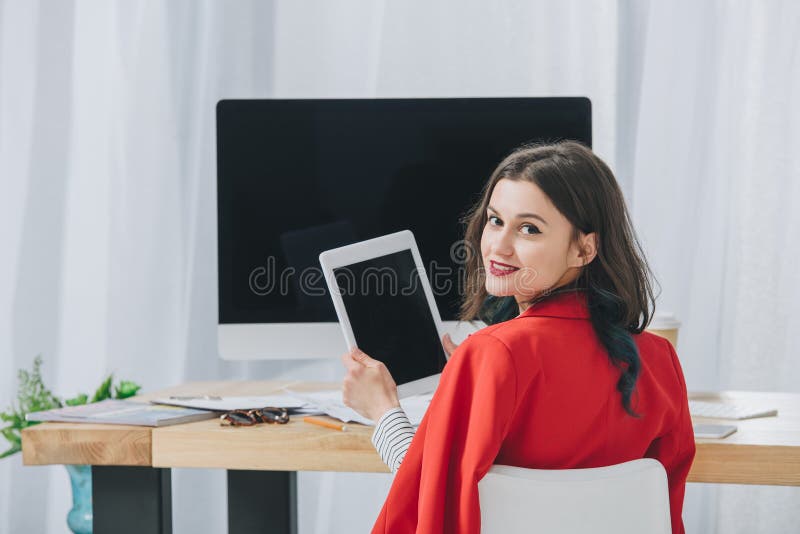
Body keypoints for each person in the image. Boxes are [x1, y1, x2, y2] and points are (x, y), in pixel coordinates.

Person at [341, 141, 695, 534]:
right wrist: (473, 383)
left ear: (584, 248)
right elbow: (661, 509)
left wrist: (383, 410)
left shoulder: (491, 354)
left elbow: (429, 502)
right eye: (495, 220)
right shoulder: (660, 358)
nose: (499, 246)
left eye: (529, 228)